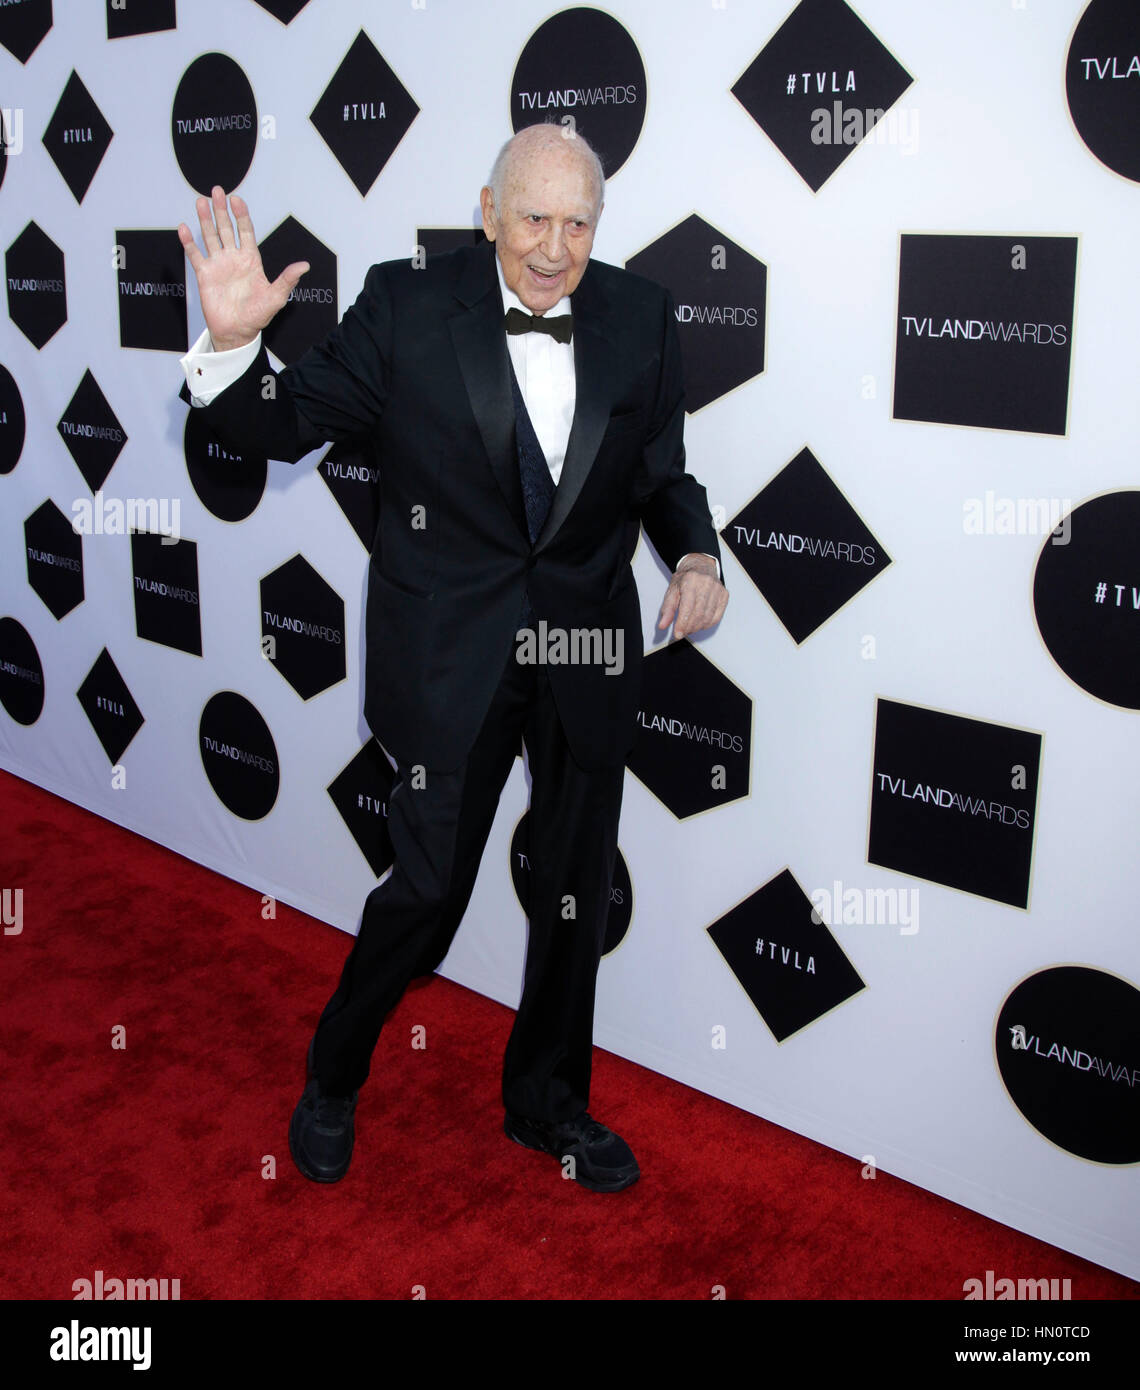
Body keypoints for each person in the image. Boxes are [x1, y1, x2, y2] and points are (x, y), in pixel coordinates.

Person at [177, 122, 728, 1193]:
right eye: (533, 217)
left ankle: (548, 1105)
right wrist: (238, 348)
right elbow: (281, 428)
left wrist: (698, 549)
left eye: (578, 221)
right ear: (488, 213)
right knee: (426, 894)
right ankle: (334, 1070)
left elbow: (660, 470)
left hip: (583, 646)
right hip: (450, 654)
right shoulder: (407, 305)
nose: (556, 247)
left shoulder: (641, 315)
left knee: (574, 893)